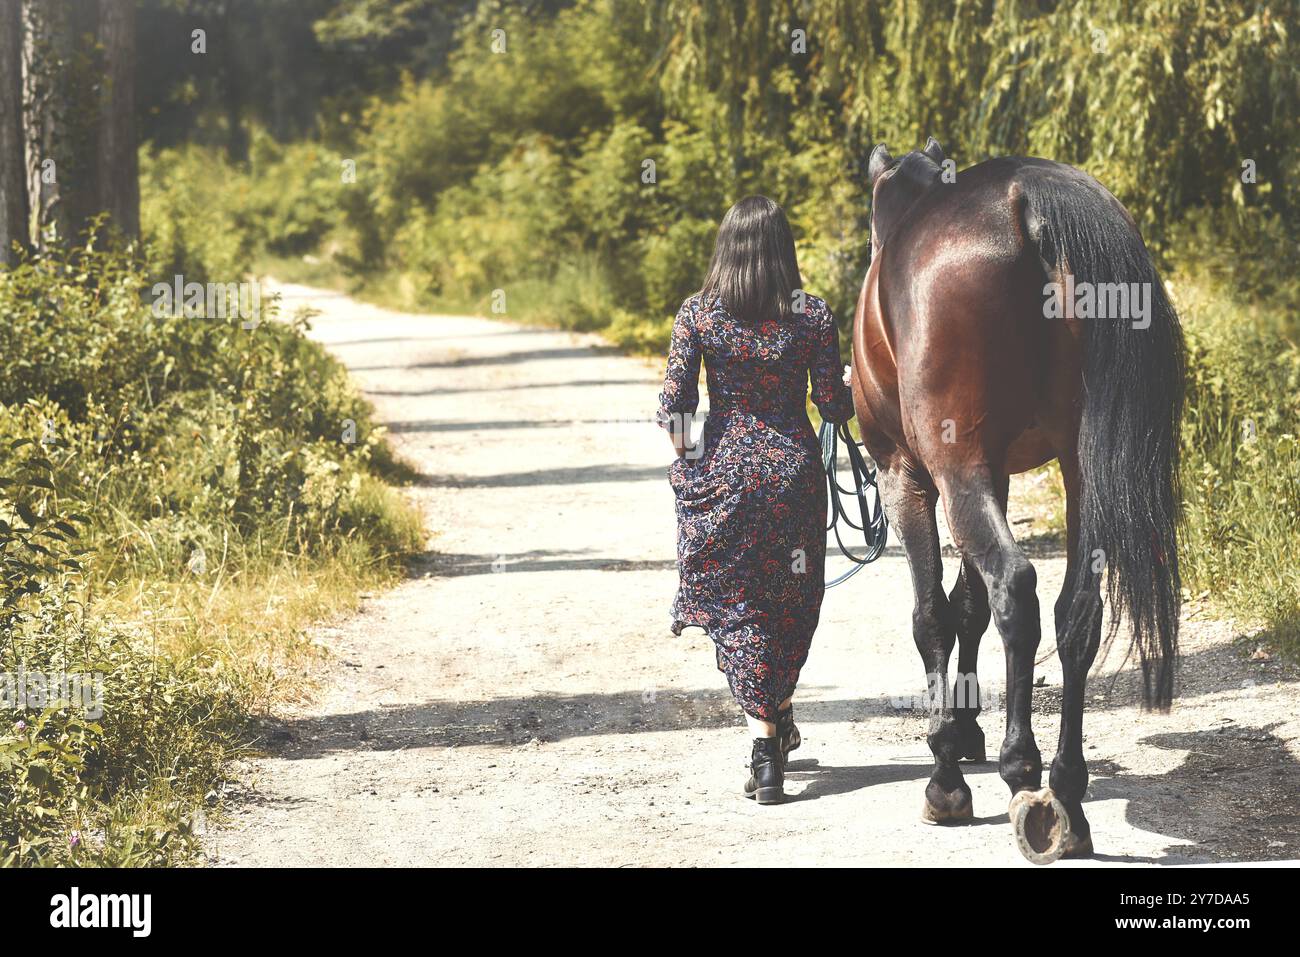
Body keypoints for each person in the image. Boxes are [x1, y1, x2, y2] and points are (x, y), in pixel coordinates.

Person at [655, 195, 854, 804]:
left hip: (726, 476)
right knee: (791, 599)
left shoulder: (699, 314)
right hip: (793, 477)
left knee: (740, 605)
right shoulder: (812, 314)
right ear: (783, 249)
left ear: (727, 247)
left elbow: (676, 409)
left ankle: (767, 749)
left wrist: (692, 468)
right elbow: (833, 407)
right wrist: (844, 385)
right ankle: (777, 724)